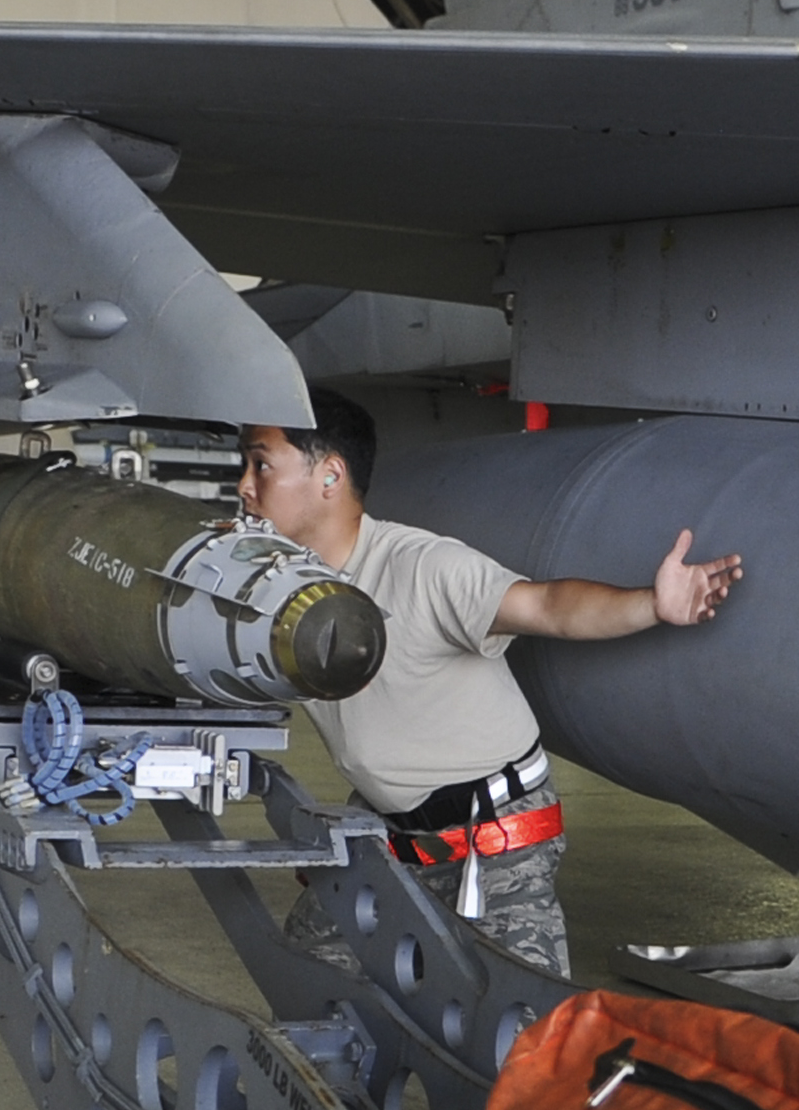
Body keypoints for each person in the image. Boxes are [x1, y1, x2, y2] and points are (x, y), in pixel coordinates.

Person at [238, 387, 745, 975]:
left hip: (496, 840)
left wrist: (652, 606)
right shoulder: (278, 587)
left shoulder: (423, 568)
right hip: (390, 834)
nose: (245, 485)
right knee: (307, 984)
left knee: (516, 1037)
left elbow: (548, 606)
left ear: (330, 475)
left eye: (261, 463)